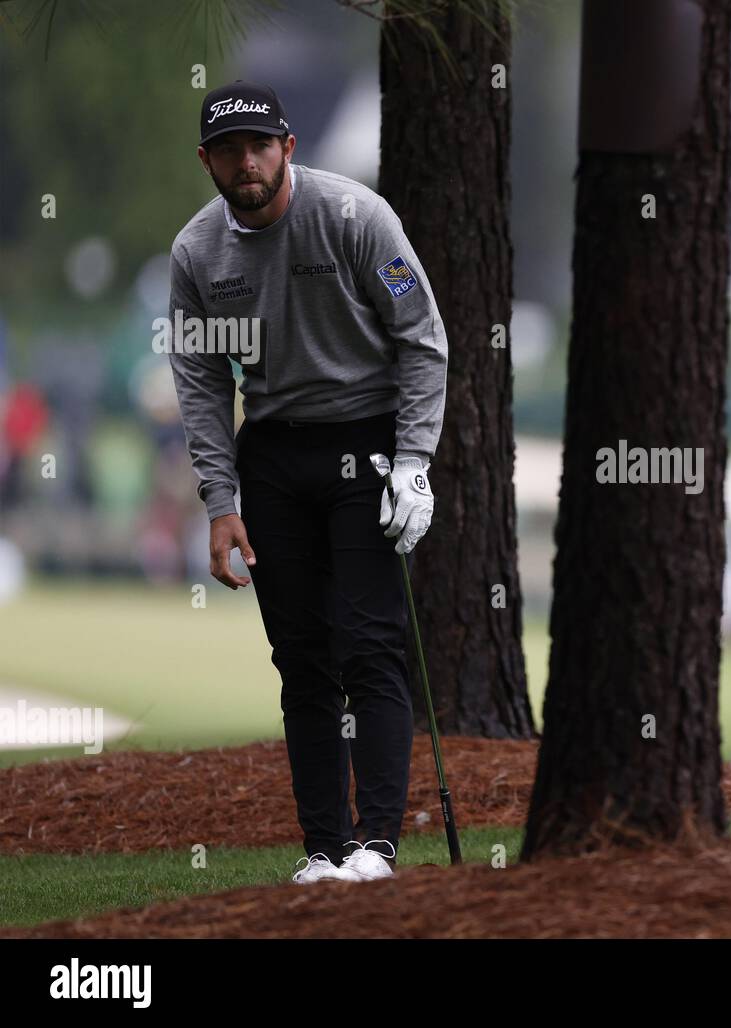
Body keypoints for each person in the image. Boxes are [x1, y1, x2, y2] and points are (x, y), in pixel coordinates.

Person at [167, 81, 449, 885]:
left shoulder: (356, 218)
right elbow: (199, 382)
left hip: (367, 439)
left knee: (369, 643)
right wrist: (220, 505)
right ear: (207, 161)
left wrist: (414, 462)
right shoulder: (197, 255)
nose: (245, 162)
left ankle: (377, 845)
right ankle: (323, 848)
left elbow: (422, 341)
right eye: (228, 150)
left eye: (259, 145)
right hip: (275, 456)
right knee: (301, 656)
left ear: (289, 147)